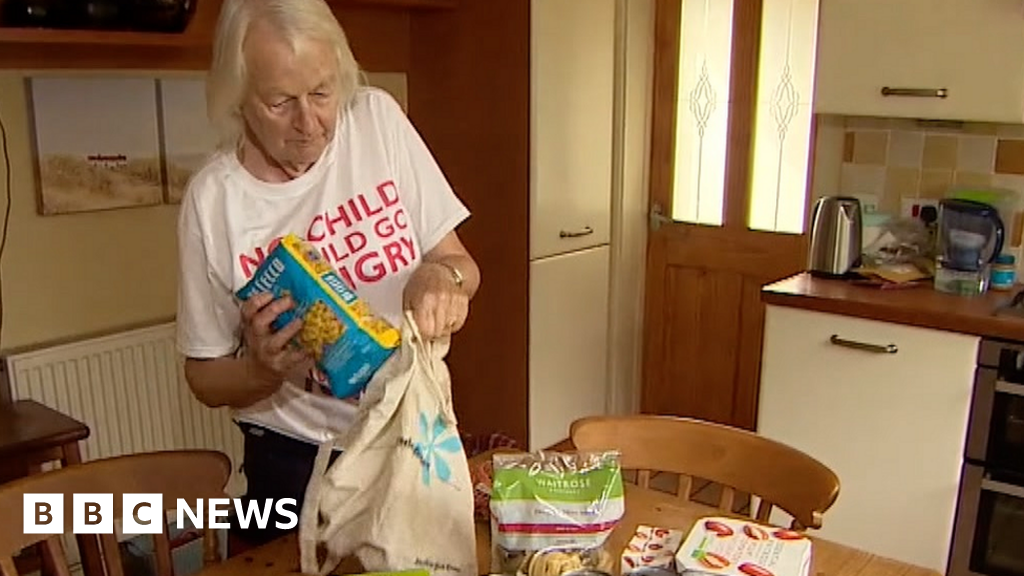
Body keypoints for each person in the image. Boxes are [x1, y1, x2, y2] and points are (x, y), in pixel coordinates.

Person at [174, 0, 480, 548]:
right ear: (239, 99)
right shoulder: (214, 201)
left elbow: (462, 266)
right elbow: (203, 374)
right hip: (288, 466)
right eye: (280, 103)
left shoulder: (378, 122)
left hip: (408, 437)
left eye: (321, 93)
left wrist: (443, 280)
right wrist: (262, 371)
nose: (309, 123)